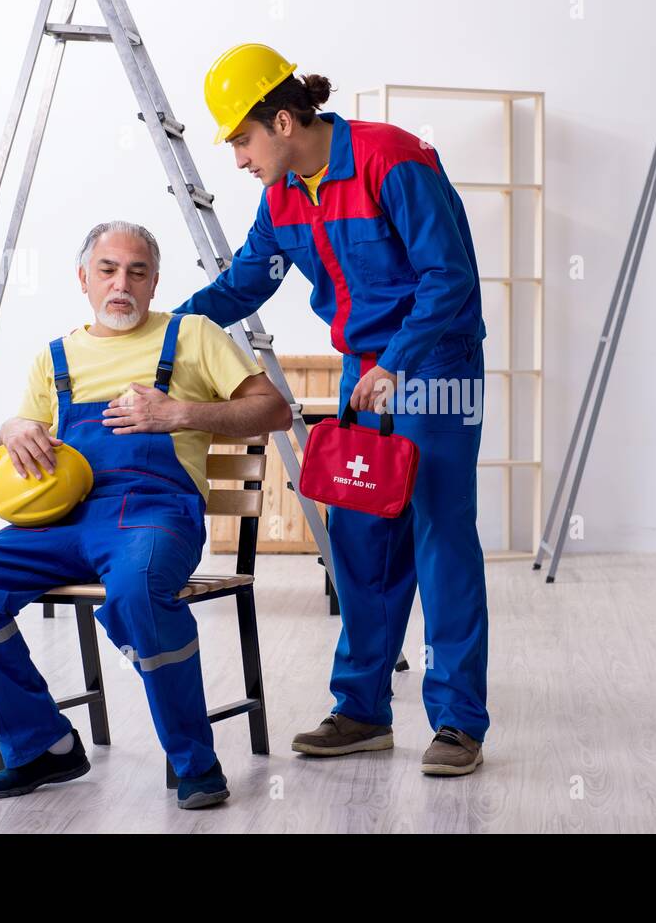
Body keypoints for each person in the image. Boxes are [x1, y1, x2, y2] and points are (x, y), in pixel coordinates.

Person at [176, 44, 490, 775]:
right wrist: (168, 330)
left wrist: (395, 363)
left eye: (243, 140)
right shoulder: (284, 194)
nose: (240, 160)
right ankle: (361, 709)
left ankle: (458, 722)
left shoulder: (392, 158)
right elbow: (246, 283)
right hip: (365, 375)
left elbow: (450, 277)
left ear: (282, 120)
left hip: (436, 363)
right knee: (357, 537)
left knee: (440, 534)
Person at [0, 220, 291, 808]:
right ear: (83, 279)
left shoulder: (193, 335)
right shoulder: (55, 358)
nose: (122, 283)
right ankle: (41, 745)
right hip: (61, 520)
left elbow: (273, 410)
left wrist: (179, 415)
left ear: (153, 284)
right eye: (108, 270)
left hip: (154, 513)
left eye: (137, 272)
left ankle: (193, 760)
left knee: (139, 592)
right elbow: (28, 440)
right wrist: (12, 427)